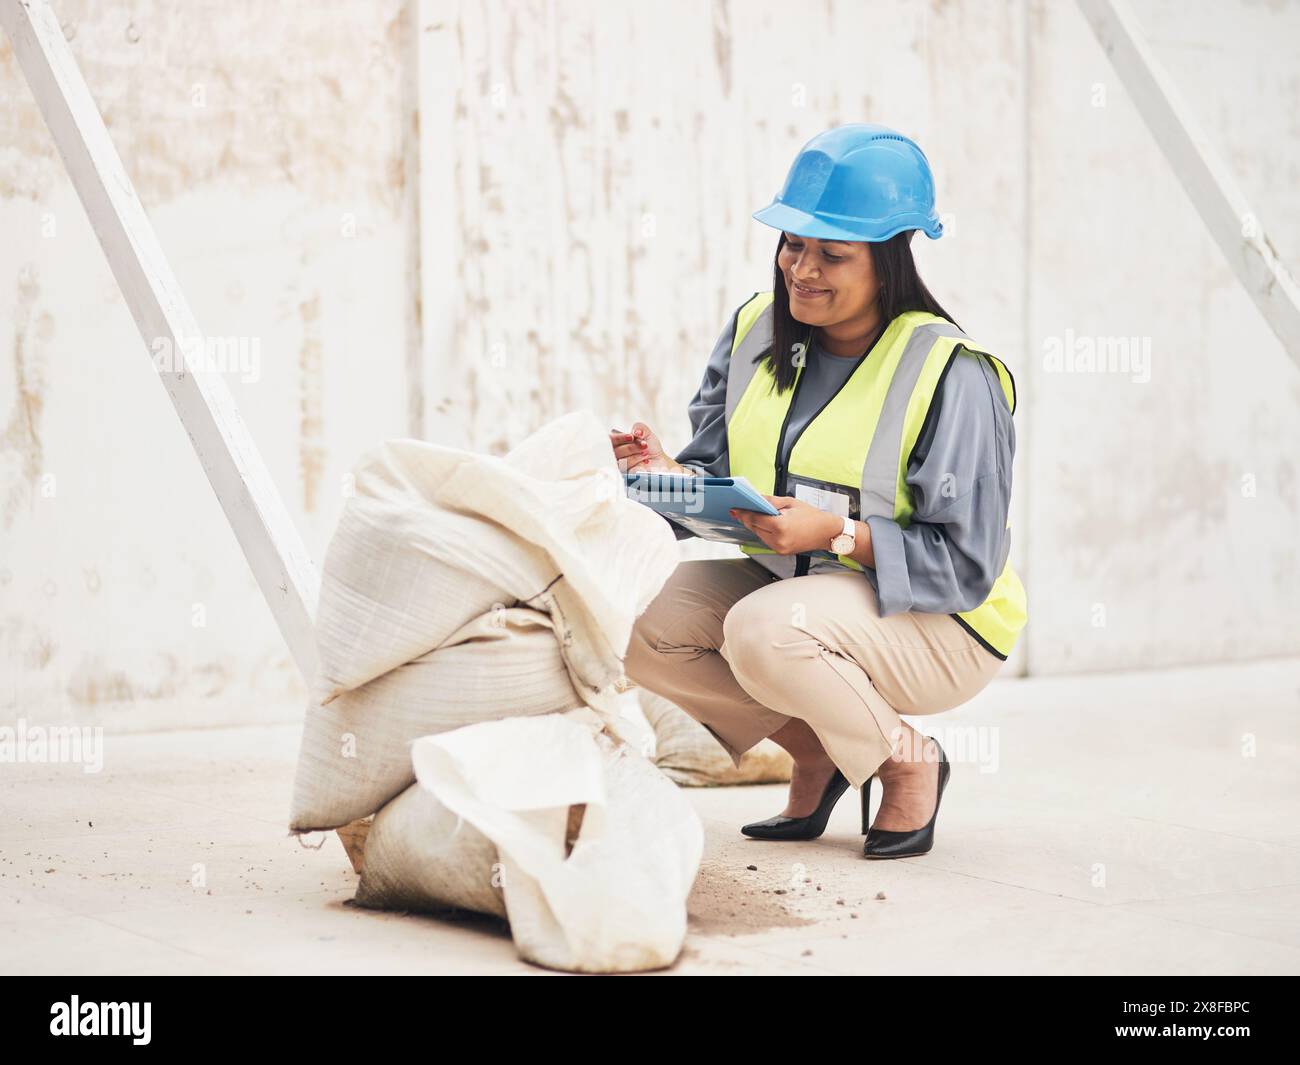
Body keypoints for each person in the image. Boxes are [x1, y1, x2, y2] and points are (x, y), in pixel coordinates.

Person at [613, 123, 1027, 860]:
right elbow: (719, 484)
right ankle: (820, 749)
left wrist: (836, 533)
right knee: (625, 611)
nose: (802, 269)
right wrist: (663, 475)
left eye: (833, 254)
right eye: (793, 244)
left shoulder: (952, 374)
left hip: (941, 621)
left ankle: (907, 760)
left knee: (763, 628)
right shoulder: (756, 333)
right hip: (794, 591)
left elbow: (968, 565)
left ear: (890, 262)